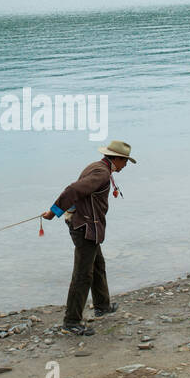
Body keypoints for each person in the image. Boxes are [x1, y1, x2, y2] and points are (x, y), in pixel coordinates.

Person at [41, 140, 136, 336]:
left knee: (97, 264)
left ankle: (102, 306)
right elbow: (73, 190)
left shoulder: (98, 167)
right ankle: (71, 321)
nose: (126, 165)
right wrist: (53, 212)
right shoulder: (101, 173)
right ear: (116, 158)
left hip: (88, 225)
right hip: (85, 227)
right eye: (125, 161)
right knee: (83, 275)